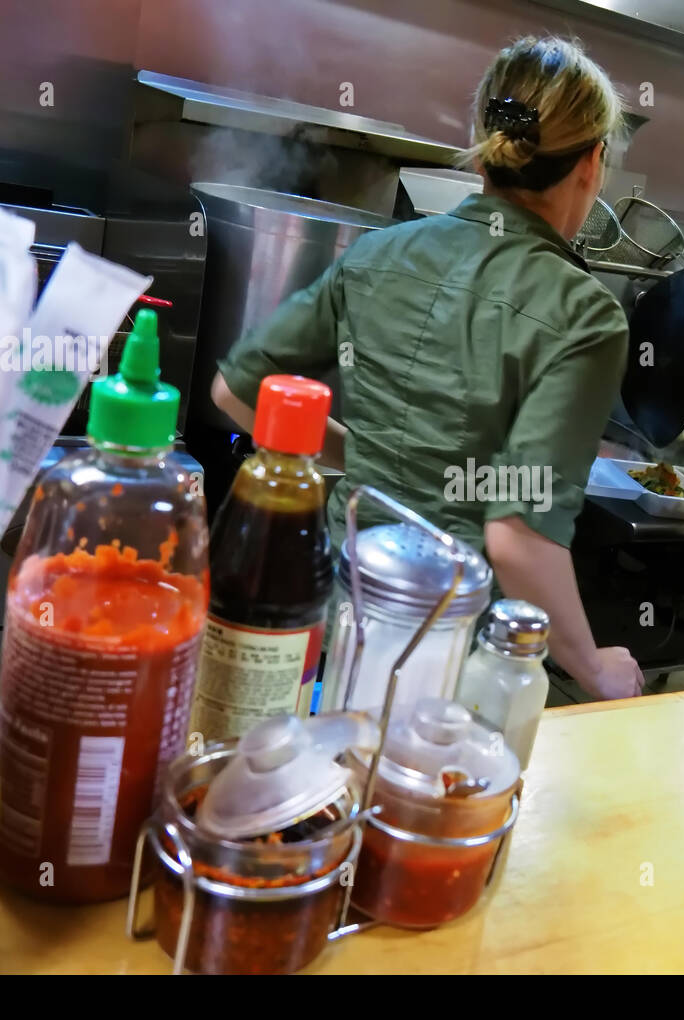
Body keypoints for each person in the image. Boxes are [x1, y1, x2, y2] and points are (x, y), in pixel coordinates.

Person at [210, 36, 645, 701]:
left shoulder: (380, 251)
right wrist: (593, 667)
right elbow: (518, 539)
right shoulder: (585, 312)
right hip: (444, 662)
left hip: (324, 628)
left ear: (485, 141)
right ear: (591, 163)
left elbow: (236, 391)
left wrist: (359, 454)